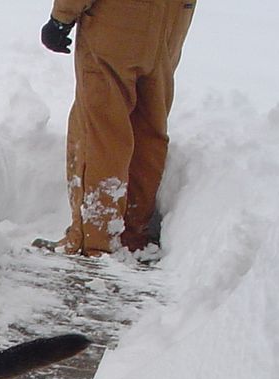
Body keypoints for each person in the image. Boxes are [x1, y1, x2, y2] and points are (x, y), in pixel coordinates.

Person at [37, 0, 196, 256]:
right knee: (148, 126)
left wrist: (61, 18)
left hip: (118, 21)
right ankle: (133, 235)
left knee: (101, 129)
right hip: (173, 19)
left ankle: (94, 240)